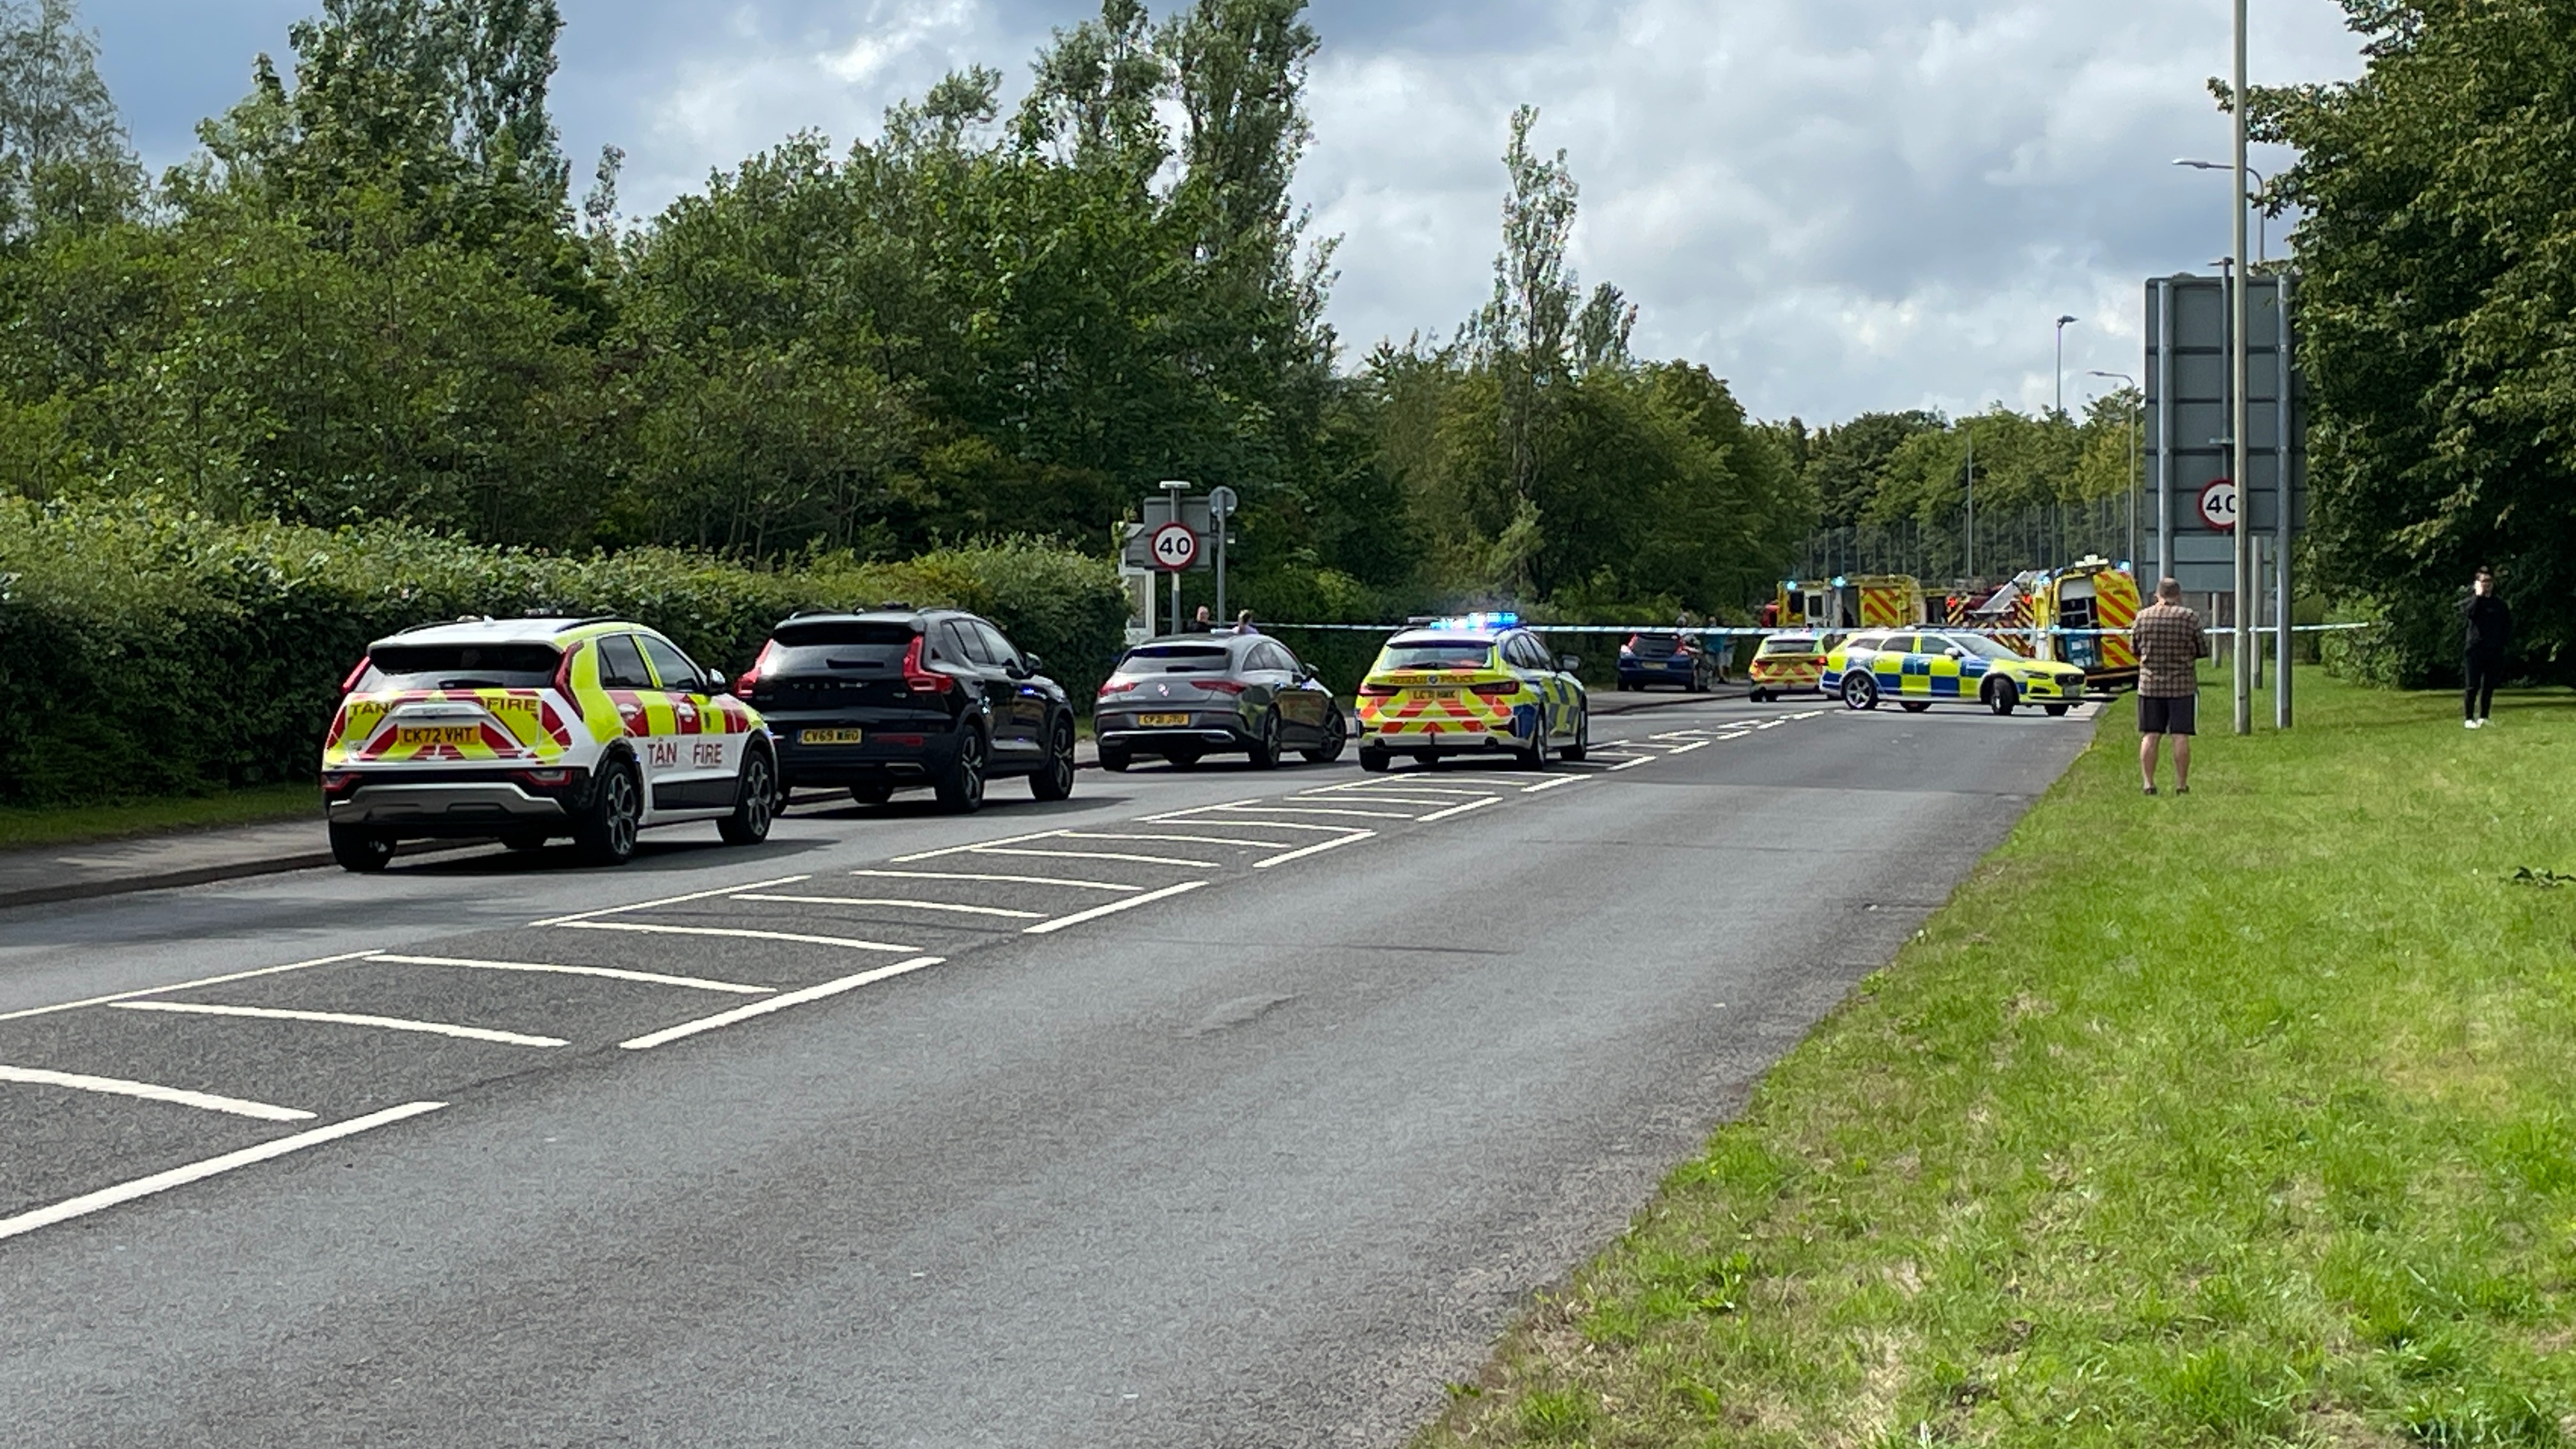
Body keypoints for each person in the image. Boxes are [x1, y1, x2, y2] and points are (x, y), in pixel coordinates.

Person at [2131, 578, 2208, 797]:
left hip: (2149, 686)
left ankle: (2148, 783)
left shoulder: (2142, 617)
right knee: (2180, 735)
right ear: (2179, 595)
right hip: (2182, 686)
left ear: (2157, 594)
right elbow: (2202, 649)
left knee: (2150, 735)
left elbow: (2133, 649)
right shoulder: (2189, 618)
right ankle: (2181, 784)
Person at [2462, 566, 2511, 729]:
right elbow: (2469, 614)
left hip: (2494, 649)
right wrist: (2477, 596)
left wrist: (2501, 644)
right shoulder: (2474, 603)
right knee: (2472, 685)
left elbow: (2506, 625)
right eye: (2483, 581)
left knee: (2488, 685)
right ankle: (2469, 718)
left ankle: (2484, 716)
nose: (2487, 584)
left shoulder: (2499, 605)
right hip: (2475, 649)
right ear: (2477, 583)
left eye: (2489, 581)